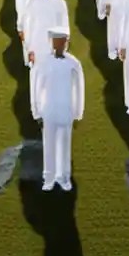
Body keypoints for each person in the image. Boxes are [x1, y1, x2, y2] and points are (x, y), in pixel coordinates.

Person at [30, 27, 85, 191]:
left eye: (62, 42)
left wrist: (78, 113)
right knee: (49, 144)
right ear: (52, 43)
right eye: (57, 42)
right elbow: (36, 88)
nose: (59, 45)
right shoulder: (43, 62)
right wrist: (37, 112)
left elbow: (79, 89)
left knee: (64, 143)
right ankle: (49, 178)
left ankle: (64, 177)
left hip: (66, 109)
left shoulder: (73, 63)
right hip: (49, 109)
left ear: (66, 43)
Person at [19, 0, 68, 67]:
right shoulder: (32, 1)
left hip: (52, 43)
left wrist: (62, 46)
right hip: (36, 41)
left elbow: (63, 24)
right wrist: (28, 47)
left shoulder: (60, 2)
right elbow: (26, 24)